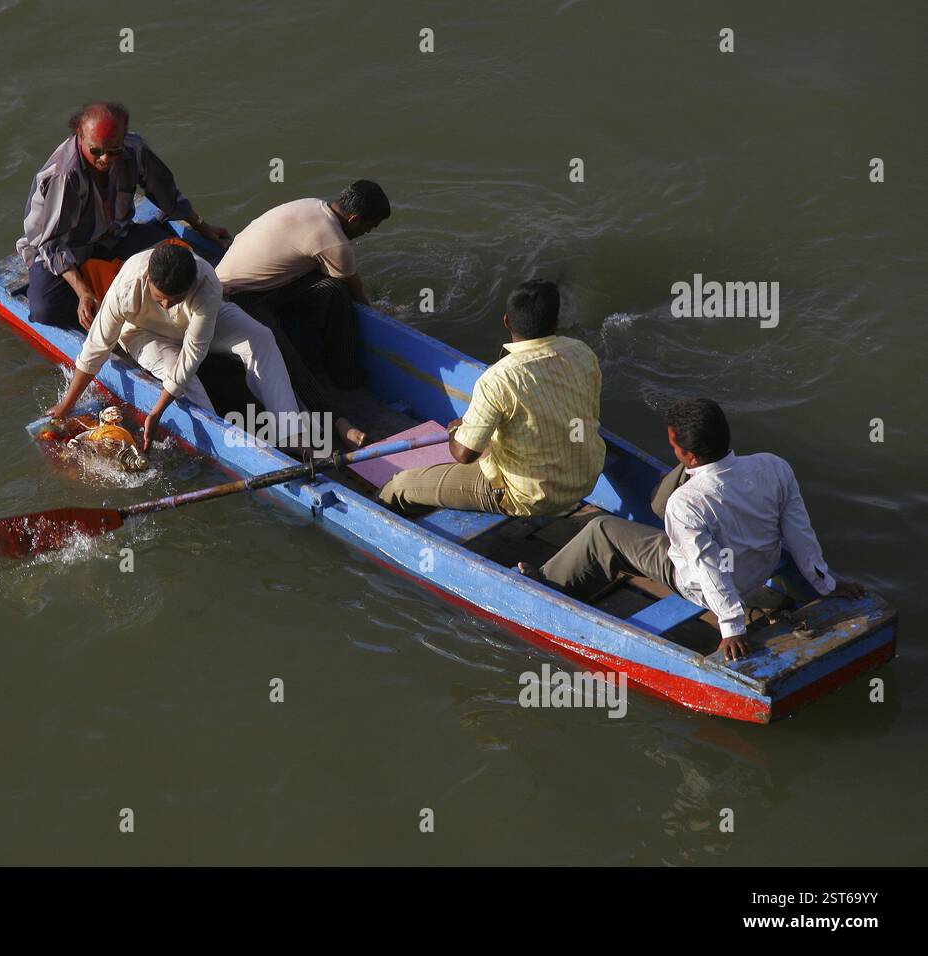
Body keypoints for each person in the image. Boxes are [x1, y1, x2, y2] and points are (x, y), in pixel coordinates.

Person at [518, 398, 865, 661]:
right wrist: (826, 583)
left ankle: (544, 583)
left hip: (702, 586)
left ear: (690, 456)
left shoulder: (685, 503)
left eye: (675, 448)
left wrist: (731, 627)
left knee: (601, 531)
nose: (674, 451)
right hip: (761, 567)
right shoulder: (774, 467)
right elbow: (799, 533)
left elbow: (707, 566)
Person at [44, 240, 303, 452]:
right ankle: (223, 446)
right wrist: (65, 407)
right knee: (188, 385)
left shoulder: (206, 284)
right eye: (160, 298)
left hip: (196, 326)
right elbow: (95, 348)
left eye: (174, 299)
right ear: (148, 280)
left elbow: (192, 354)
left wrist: (155, 412)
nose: (166, 305)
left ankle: (292, 435)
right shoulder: (128, 285)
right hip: (142, 332)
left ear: (190, 286)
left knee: (261, 338)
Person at [377, 279, 604, 518]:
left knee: (398, 487)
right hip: (585, 480)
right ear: (556, 321)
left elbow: (464, 455)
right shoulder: (582, 352)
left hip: (528, 497)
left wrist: (456, 432)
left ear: (506, 321)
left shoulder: (497, 379)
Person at [17, 101, 232, 329]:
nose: (105, 159)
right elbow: (51, 244)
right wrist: (84, 293)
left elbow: (165, 192)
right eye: (96, 151)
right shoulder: (64, 176)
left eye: (113, 151)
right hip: (64, 249)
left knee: (176, 263)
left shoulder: (134, 149)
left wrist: (202, 226)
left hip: (114, 235)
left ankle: (132, 258)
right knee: (45, 309)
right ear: (79, 136)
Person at [215, 181, 391, 447]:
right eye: (369, 227)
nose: (367, 232)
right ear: (354, 219)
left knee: (333, 289)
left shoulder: (312, 205)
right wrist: (384, 311)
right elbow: (360, 297)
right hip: (235, 298)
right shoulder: (334, 242)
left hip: (260, 284)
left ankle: (345, 377)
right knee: (278, 349)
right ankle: (336, 422)